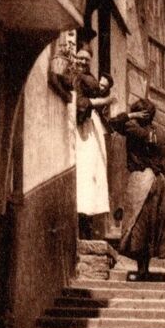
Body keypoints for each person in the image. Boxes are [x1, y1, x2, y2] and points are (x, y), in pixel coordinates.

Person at [107, 97, 165, 282]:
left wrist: (130, 115)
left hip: (143, 179)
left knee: (140, 225)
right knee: (149, 225)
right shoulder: (157, 131)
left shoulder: (132, 128)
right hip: (157, 179)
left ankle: (143, 270)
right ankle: (144, 269)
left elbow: (114, 123)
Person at [74, 49, 113, 232]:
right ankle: (83, 218)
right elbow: (80, 103)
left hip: (88, 127)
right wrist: (104, 101)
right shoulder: (76, 77)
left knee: (92, 172)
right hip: (80, 128)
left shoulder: (88, 79)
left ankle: (87, 219)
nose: (83, 62)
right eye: (80, 58)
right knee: (84, 171)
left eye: (87, 59)